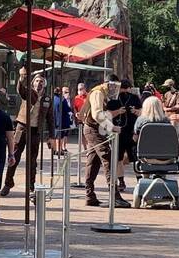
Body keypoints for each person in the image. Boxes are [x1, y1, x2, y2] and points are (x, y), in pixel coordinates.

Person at [81, 77, 128, 208]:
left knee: (93, 162)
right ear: (108, 84)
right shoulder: (98, 93)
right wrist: (111, 127)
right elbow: (97, 114)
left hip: (94, 129)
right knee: (108, 158)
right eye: (114, 85)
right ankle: (115, 196)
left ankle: (89, 195)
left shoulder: (100, 92)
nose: (114, 89)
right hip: (92, 129)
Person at [4, 70, 48, 197]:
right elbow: (20, 89)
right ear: (33, 83)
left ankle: (31, 186)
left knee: (32, 161)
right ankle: (8, 183)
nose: (39, 83)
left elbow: (50, 118)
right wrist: (22, 76)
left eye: (41, 82)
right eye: (37, 81)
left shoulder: (46, 98)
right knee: (14, 156)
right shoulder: (28, 93)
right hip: (22, 127)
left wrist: (52, 136)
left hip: (35, 131)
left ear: (44, 84)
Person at [116, 79, 143, 188]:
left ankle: (139, 180)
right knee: (119, 158)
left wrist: (134, 111)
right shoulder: (115, 98)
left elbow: (142, 112)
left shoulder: (134, 98)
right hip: (119, 131)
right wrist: (119, 111)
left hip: (132, 132)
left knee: (135, 157)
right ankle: (121, 181)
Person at [51, 85, 74, 159]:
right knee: (60, 137)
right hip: (61, 120)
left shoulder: (52, 99)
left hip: (54, 120)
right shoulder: (62, 100)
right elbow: (68, 109)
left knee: (55, 135)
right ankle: (59, 150)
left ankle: (54, 149)